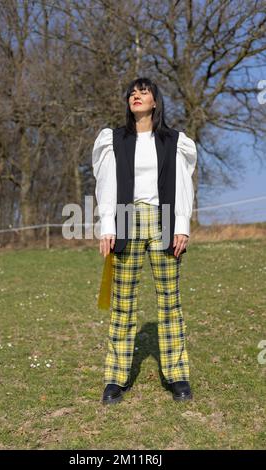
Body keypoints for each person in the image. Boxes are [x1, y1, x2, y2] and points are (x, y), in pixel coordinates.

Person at [92, 77, 197, 405]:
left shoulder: (174, 140)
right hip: (125, 218)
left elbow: (183, 184)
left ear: (155, 102)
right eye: (132, 93)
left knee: (170, 301)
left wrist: (181, 225)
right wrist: (107, 226)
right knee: (122, 304)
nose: (136, 96)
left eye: (144, 92)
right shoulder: (114, 139)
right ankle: (115, 379)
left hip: (164, 219)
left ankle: (177, 376)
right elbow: (106, 184)